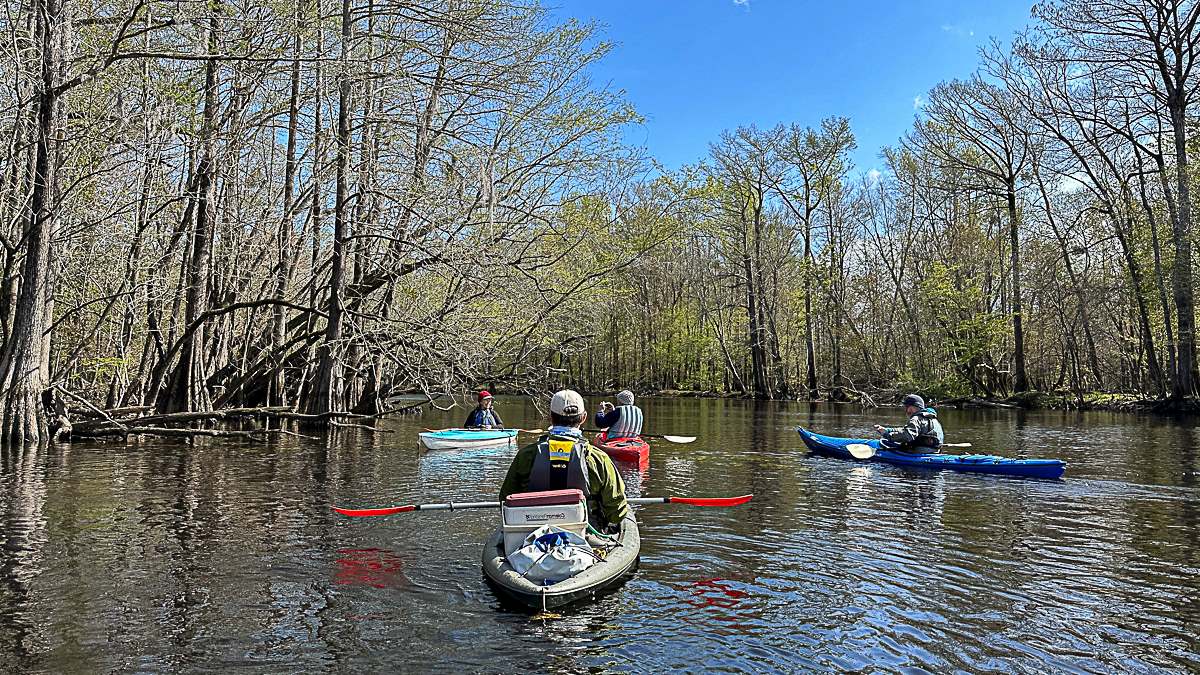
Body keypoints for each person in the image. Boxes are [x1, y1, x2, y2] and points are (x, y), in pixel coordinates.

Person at [499, 389, 630, 532]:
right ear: (583, 417)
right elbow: (617, 512)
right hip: (586, 534)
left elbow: (505, 500)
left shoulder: (526, 456)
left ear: (550, 417)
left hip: (532, 532)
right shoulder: (598, 458)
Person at [873, 393, 944, 453]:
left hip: (920, 454)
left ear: (911, 407)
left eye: (906, 407)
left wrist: (887, 435)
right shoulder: (934, 419)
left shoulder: (916, 419)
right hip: (935, 452)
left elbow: (907, 436)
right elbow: (906, 430)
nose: (906, 410)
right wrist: (889, 430)